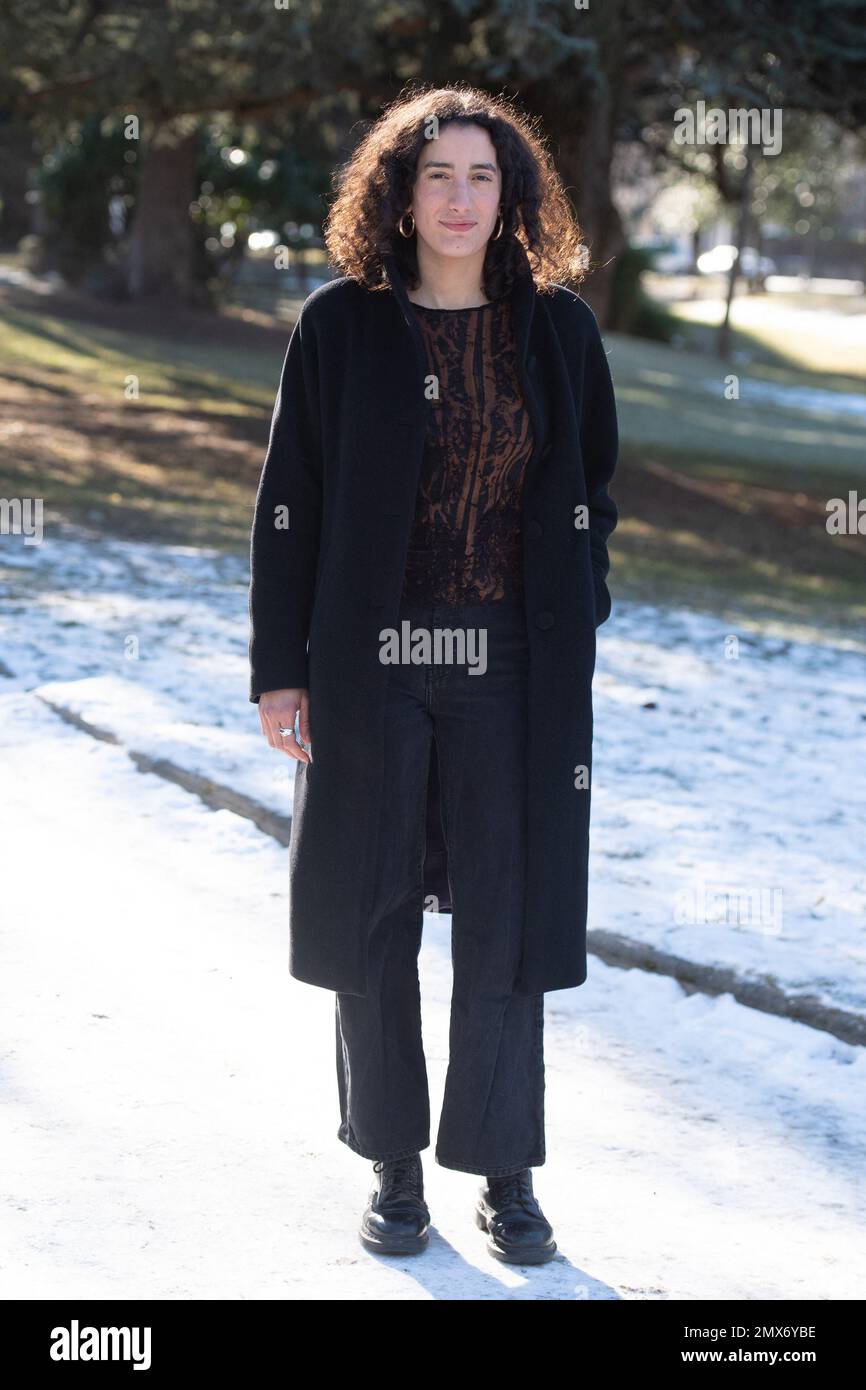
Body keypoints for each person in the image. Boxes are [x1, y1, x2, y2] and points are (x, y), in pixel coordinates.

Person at [248, 84, 619, 1265]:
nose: (458, 199)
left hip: (510, 661)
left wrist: (581, 603)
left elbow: (591, 493)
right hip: (371, 660)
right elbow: (286, 511)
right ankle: (392, 1169)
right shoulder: (339, 326)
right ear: (397, 196)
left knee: (507, 921)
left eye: (481, 176)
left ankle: (506, 1176)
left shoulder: (557, 329)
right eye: (436, 176)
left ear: (511, 196)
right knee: (372, 909)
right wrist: (279, 669)